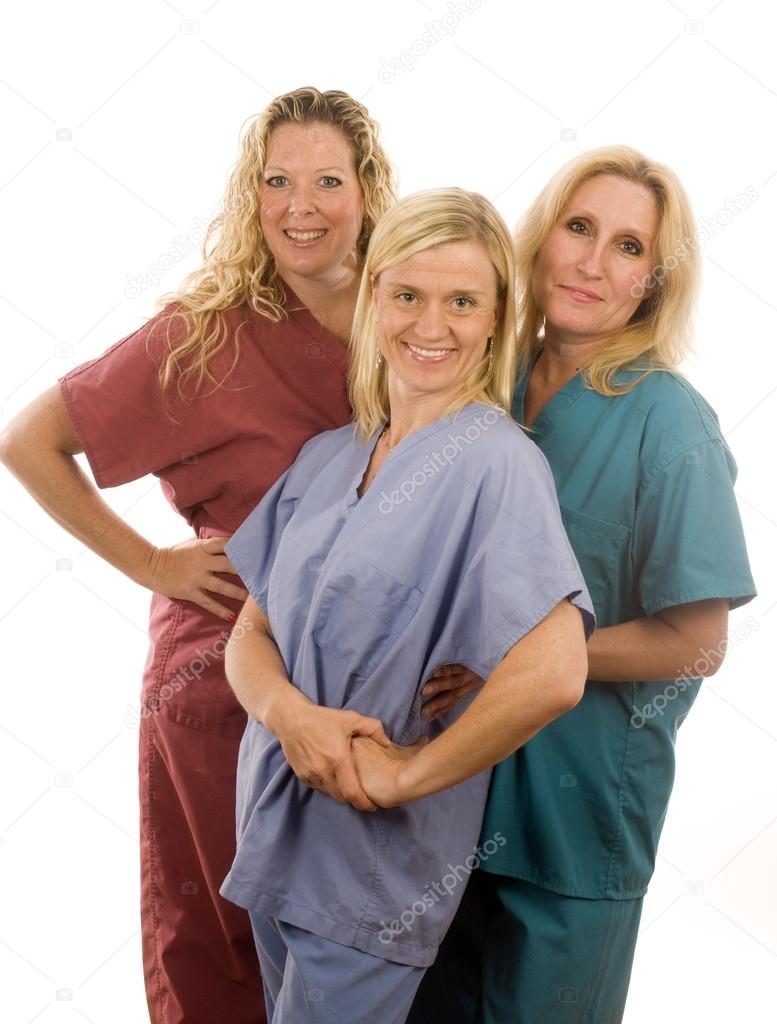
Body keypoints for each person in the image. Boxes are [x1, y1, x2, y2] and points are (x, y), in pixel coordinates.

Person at [0, 87, 406, 1024]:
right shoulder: (207, 331)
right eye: (276, 181)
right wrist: (151, 565)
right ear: (249, 193)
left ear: (367, 188)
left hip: (374, 659)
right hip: (222, 662)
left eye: (325, 181)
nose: (299, 206)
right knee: (217, 923)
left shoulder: (413, 313)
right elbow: (29, 442)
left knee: (361, 932)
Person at [220, 187, 596, 1024]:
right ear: (373, 298)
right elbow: (249, 631)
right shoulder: (330, 455)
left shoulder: (496, 465)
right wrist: (292, 717)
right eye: (407, 296)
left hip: (369, 868)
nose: (431, 326)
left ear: (497, 318)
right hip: (274, 829)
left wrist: (406, 778)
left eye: (462, 302)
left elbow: (555, 671)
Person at [408, 147, 757, 1024]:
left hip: (572, 828)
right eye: (578, 227)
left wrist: (515, 665)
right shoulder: (481, 386)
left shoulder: (667, 421)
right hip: (444, 801)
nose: (594, 263)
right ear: (541, 238)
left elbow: (697, 641)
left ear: (653, 280)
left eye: (629, 246)